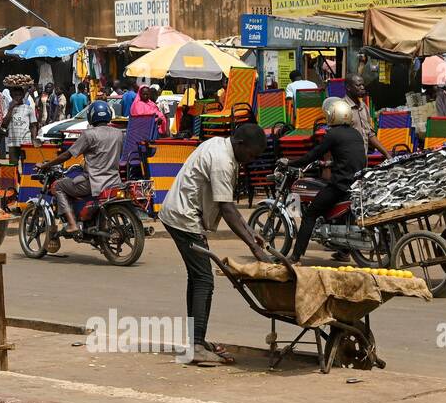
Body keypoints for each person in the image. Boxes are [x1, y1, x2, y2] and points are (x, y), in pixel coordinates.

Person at [157, 124, 271, 366]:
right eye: (251, 155)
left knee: (197, 278)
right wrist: (255, 249)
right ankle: (197, 346)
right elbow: (227, 209)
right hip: (183, 217)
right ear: (240, 144)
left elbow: (228, 204)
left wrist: (252, 232)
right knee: (204, 280)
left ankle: (196, 340)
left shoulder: (221, 146)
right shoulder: (221, 161)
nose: (251, 161)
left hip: (183, 213)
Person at [281, 99, 366, 265]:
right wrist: (328, 164)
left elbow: (313, 154)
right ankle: (343, 252)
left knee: (310, 214)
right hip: (357, 182)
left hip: (341, 184)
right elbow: (349, 158)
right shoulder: (355, 133)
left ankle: (295, 257)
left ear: (332, 116)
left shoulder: (332, 134)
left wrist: (290, 162)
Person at [43, 102, 124, 235]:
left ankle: (72, 223)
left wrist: (47, 164)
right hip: (114, 182)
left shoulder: (89, 134)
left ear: (91, 116)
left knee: (58, 185)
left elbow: (67, 155)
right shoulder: (119, 133)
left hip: (94, 182)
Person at [345, 75, 391, 157]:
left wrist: (386, 154)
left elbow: (369, 134)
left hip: (363, 157)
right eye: (358, 85)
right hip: (348, 159)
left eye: (363, 85)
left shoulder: (363, 107)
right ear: (348, 87)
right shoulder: (342, 108)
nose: (362, 87)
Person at [3, 85, 38, 165]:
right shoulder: (8, 108)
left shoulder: (28, 108)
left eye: (19, 95)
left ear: (22, 95)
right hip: (12, 143)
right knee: (13, 167)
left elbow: (33, 125)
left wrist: (34, 139)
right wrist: (11, 109)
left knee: (26, 165)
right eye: (15, 95)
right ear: (12, 96)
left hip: (25, 142)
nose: (17, 97)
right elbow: (4, 125)